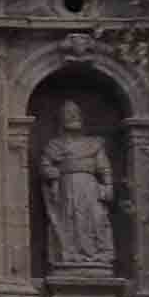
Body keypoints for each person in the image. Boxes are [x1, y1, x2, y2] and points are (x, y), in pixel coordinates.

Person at [40, 97, 115, 270]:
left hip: (91, 186)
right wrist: (53, 172)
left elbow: (104, 167)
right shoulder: (55, 145)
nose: (72, 116)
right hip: (68, 186)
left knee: (96, 219)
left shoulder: (93, 144)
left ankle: (97, 254)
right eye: (68, 114)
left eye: (75, 113)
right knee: (71, 219)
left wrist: (109, 185)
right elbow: (45, 165)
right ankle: (71, 255)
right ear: (61, 119)